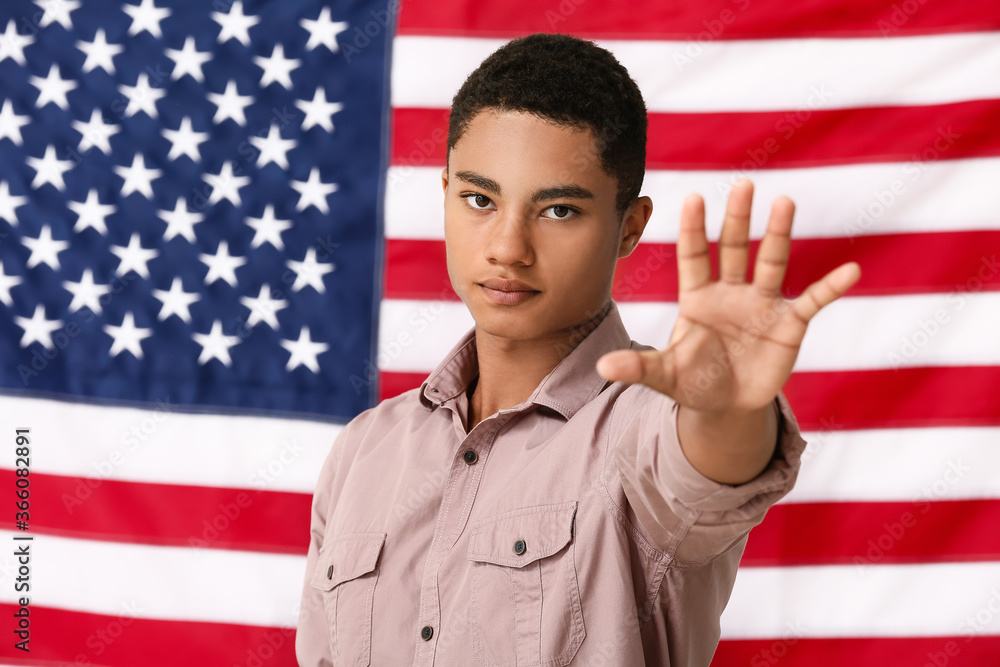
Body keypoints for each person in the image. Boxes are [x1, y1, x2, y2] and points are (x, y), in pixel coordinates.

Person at [296, 32, 860, 666]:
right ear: (446, 192)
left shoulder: (645, 427)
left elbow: (706, 471)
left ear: (630, 228)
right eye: (479, 200)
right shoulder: (364, 450)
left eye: (559, 211)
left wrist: (725, 409)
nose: (507, 248)